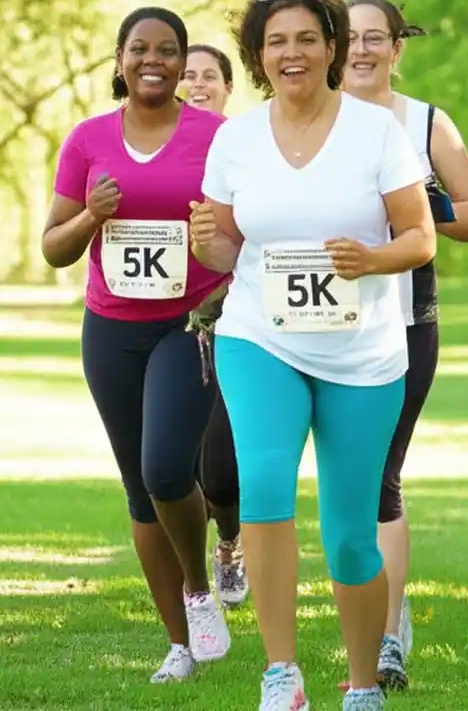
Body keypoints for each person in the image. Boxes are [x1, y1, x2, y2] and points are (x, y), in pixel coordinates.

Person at [190, 0, 434, 708]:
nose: (290, 52)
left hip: (363, 353)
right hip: (259, 335)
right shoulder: (235, 138)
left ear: (331, 47)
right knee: (263, 484)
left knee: (351, 533)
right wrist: (211, 245)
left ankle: (363, 685)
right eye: (275, 42)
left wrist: (372, 260)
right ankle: (282, 674)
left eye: (305, 38)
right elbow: (227, 243)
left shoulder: (376, 131)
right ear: (259, 57)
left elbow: (419, 239)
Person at [43, 6, 233, 684]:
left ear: (184, 63)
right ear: (120, 60)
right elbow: (54, 248)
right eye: (140, 49)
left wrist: (223, 257)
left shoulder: (218, 137)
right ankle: (182, 643)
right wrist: (92, 215)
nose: (153, 59)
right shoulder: (88, 140)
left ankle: (197, 585)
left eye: (168, 50)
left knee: (164, 470)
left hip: (193, 322)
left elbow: (250, 232)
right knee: (137, 491)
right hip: (112, 330)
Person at [342, 0, 468, 690]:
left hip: (404, 320)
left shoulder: (427, 123)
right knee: (345, 483)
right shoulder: (305, 121)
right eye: (350, 38)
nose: (363, 50)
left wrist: (415, 208)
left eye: (377, 38)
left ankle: (388, 634)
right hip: (316, 322)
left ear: (397, 48)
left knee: (379, 479)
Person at [179, 42, 250, 610]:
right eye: (188, 76)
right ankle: (193, 573)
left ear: (229, 87)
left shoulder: (246, 146)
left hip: (230, 324)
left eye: (210, 76)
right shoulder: (152, 147)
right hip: (161, 326)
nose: (198, 84)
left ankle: (228, 542)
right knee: (174, 462)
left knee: (221, 468)